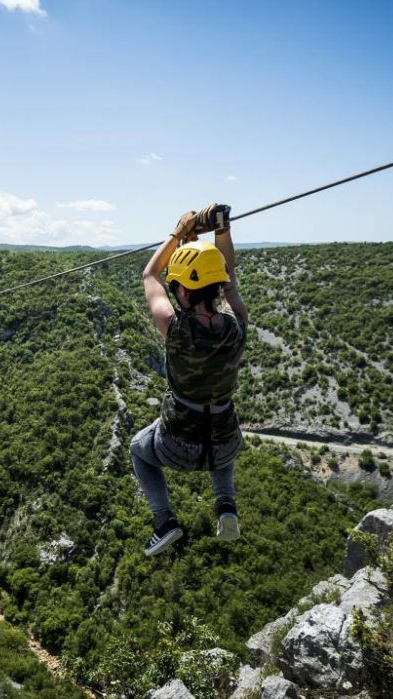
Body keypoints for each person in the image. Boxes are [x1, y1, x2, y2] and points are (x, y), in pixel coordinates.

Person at [130, 203, 249, 556]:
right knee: (224, 424)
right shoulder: (236, 325)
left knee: (139, 449)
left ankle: (165, 521)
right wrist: (221, 230)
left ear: (181, 291)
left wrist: (178, 234)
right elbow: (230, 281)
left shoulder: (176, 329)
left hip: (177, 445)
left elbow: (150, 276)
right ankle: (225, 503)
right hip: (225, 443)